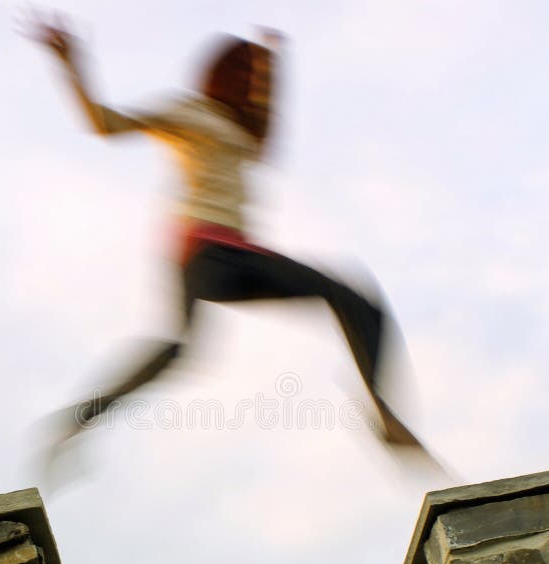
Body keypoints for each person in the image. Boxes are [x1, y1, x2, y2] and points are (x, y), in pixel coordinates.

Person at [24, 14, 428, 466]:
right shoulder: (185, 111)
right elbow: (103, 122)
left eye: (250, 80)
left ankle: (78, 421)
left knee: (178, 348)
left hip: (215, 259)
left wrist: (270, 65)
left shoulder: (240, 134)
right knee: (347, 295)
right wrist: (69, 62)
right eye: (240, 76)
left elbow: (266, 132)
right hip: (210, 249)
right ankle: (385, 417)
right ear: (216, 77)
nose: (247, 87)